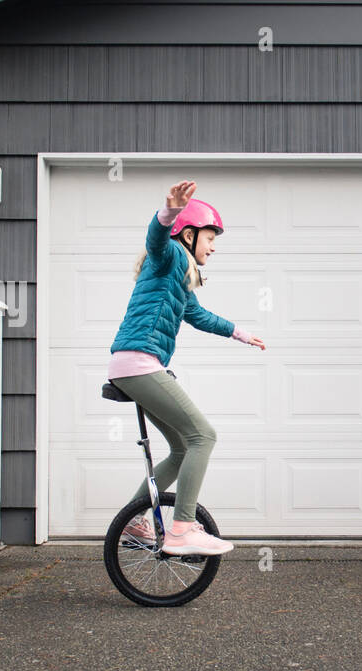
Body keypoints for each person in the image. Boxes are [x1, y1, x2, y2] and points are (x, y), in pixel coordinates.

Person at [107, 179, 266, 556]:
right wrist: (170, 212)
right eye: (210, 238)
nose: (213, 247)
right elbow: (156, 242)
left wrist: (240, 333)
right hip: (138, 361)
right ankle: (181, 528)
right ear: (190, 234)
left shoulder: (178, 279)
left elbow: (197, 315)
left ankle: (134, 521)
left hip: (135, 364)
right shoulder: (172, 257)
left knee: (182, 447)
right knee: (204, 436)